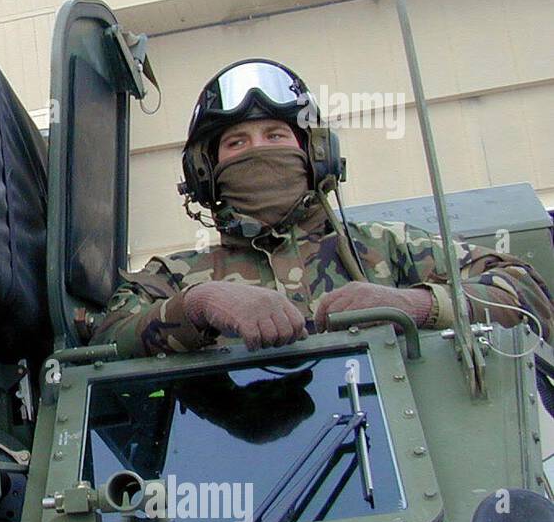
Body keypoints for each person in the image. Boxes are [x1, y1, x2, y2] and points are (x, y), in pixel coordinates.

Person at [89, 59, 553, 356]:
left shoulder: (387, 247)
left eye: (275, 137)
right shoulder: (173, 274)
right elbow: (105, 341)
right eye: (237, 143)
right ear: (205, 174)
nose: (259, 150)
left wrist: (413, 304)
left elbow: (528, 297)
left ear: (315, 157)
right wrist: (199, 305)